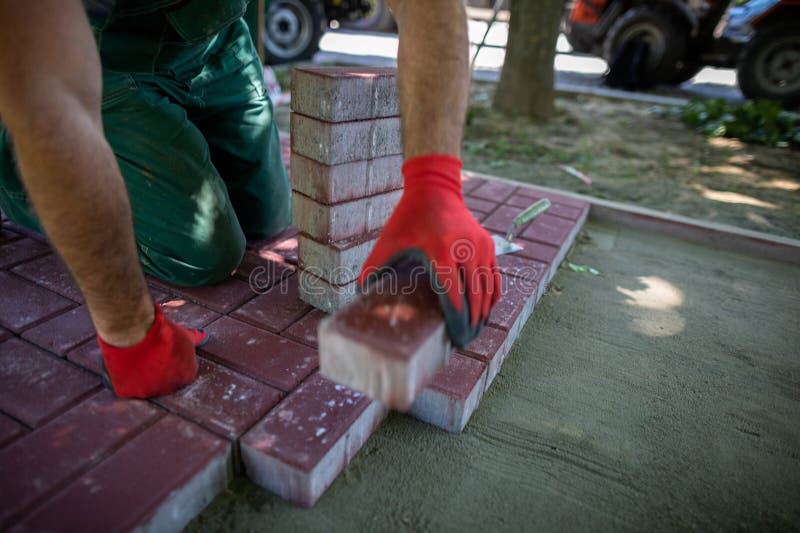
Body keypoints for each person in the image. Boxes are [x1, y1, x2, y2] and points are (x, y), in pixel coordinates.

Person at [0, 0, 500, 398]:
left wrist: (436, 184)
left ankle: (158, 137)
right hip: (104, 61)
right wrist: (129, 330)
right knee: (206, 254)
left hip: (215, 43)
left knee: (270, 218)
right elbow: (47, 91)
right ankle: (19, 170)